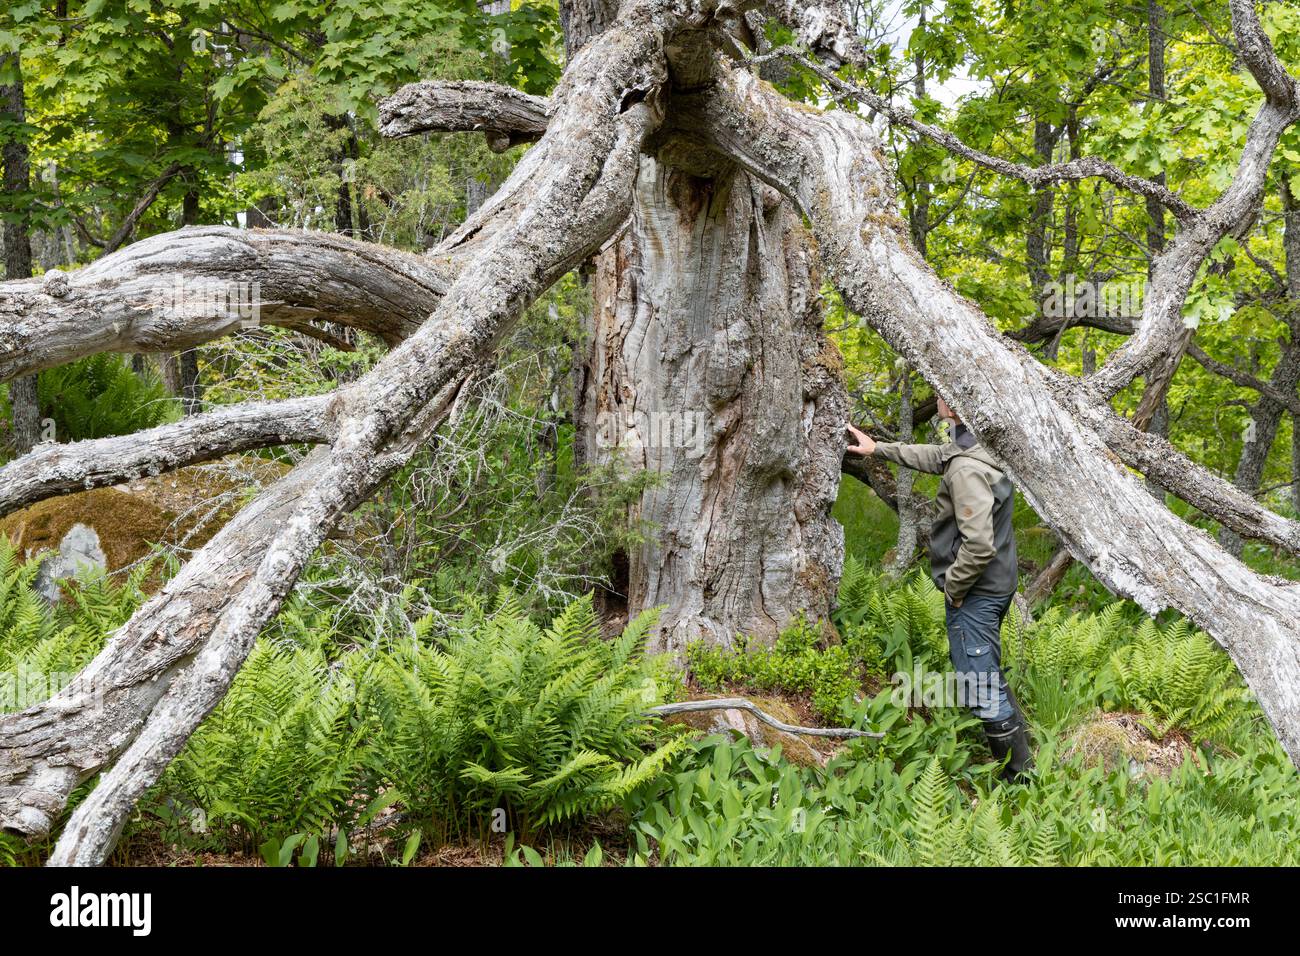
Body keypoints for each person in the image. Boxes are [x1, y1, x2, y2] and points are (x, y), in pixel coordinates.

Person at [846, 396, 1032, 782]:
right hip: (997, 585)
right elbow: (939, 457)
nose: (936, 396)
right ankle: (1025, 756)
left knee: (979, 683)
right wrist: (879, 448)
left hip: (976, 593)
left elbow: (979, 544)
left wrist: (955, 589)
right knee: (986, 672)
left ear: (963, 402)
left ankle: (1020, 779)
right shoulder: (977, 447)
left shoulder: (966, 470)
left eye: (945, 391)